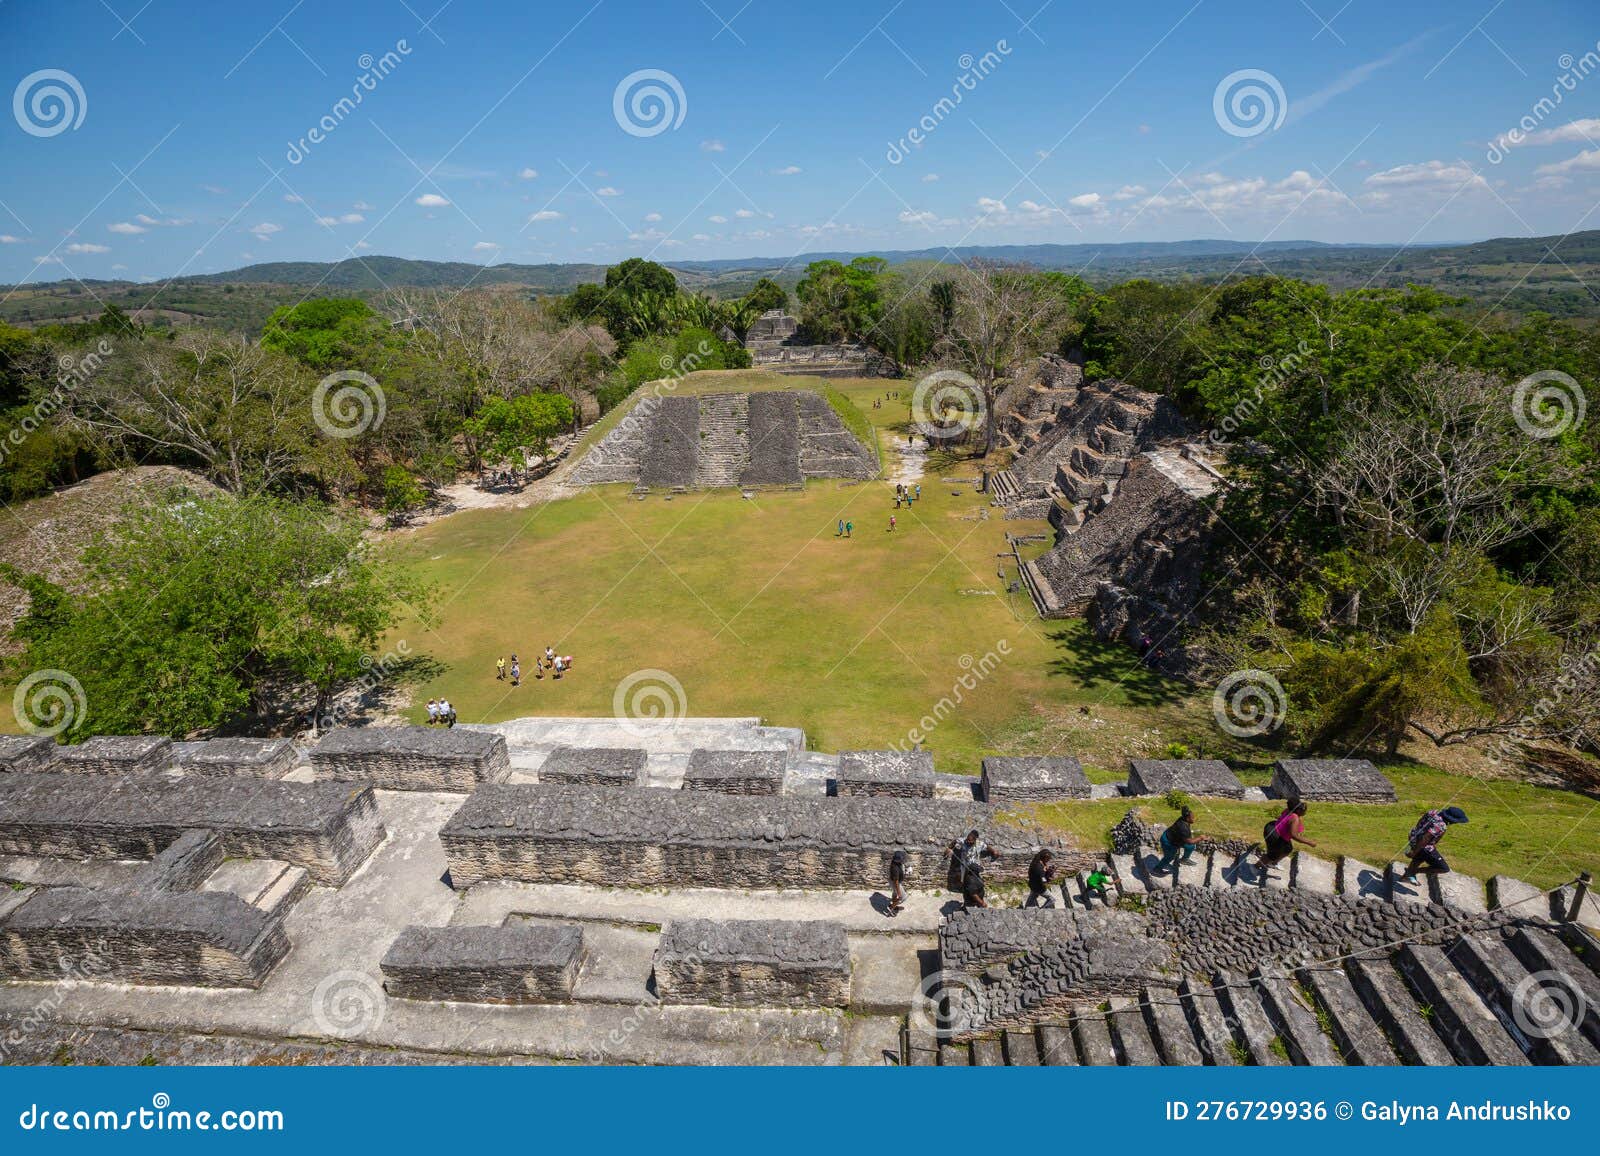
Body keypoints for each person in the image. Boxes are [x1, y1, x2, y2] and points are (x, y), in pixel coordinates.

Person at [1400, 806, 1469, 883]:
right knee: (1443, 868)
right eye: (1456, 821)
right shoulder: (1441, 825)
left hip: (1414, 837)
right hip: (1423, 846)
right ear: (1452, 820)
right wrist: (1414, 852)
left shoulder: (1433, 812)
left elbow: (1420, 821)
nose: (1456, 823)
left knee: (1419, 858)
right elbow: (1426, 838)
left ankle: (1406, 877)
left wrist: (1416, 834)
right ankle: (1413, 872)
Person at [1255, 799, 1315, 873]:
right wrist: (1310, 842)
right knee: (1272, 855)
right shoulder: (1295, 818)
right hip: (1275, 836)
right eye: (1304, 810)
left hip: (1272, 827)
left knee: (1288, 849)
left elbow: (1284, 817)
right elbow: (1294, 835)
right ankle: (1256, 867)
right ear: (1298, 810)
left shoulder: (1288, 810)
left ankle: (1273, 863)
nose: (1305, 812)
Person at [1154, 806, 1197, 874]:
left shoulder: (1183, 819)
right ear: (1187, 818)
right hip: (1168, 841)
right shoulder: (1183, 827)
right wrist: (1201, 837)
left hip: (1177, 839)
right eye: (1192, 817)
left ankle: (1184, 859)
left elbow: (1189, 841)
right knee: (1170, 857)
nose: (1194, 818)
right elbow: (1189, 841)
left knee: (1190, 846)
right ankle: (1157, 869)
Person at [887, 850, 908, 917]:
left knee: (894, 893)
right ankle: (891, 907)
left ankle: (894, 905)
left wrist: (906, 872)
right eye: (901, 859)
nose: (902, 860)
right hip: (895, 883)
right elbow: (896, 882)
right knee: (903, 897)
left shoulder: (895, 862)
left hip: (893, 880)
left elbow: (901, 867)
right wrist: (899, 893)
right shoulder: (895, 869)